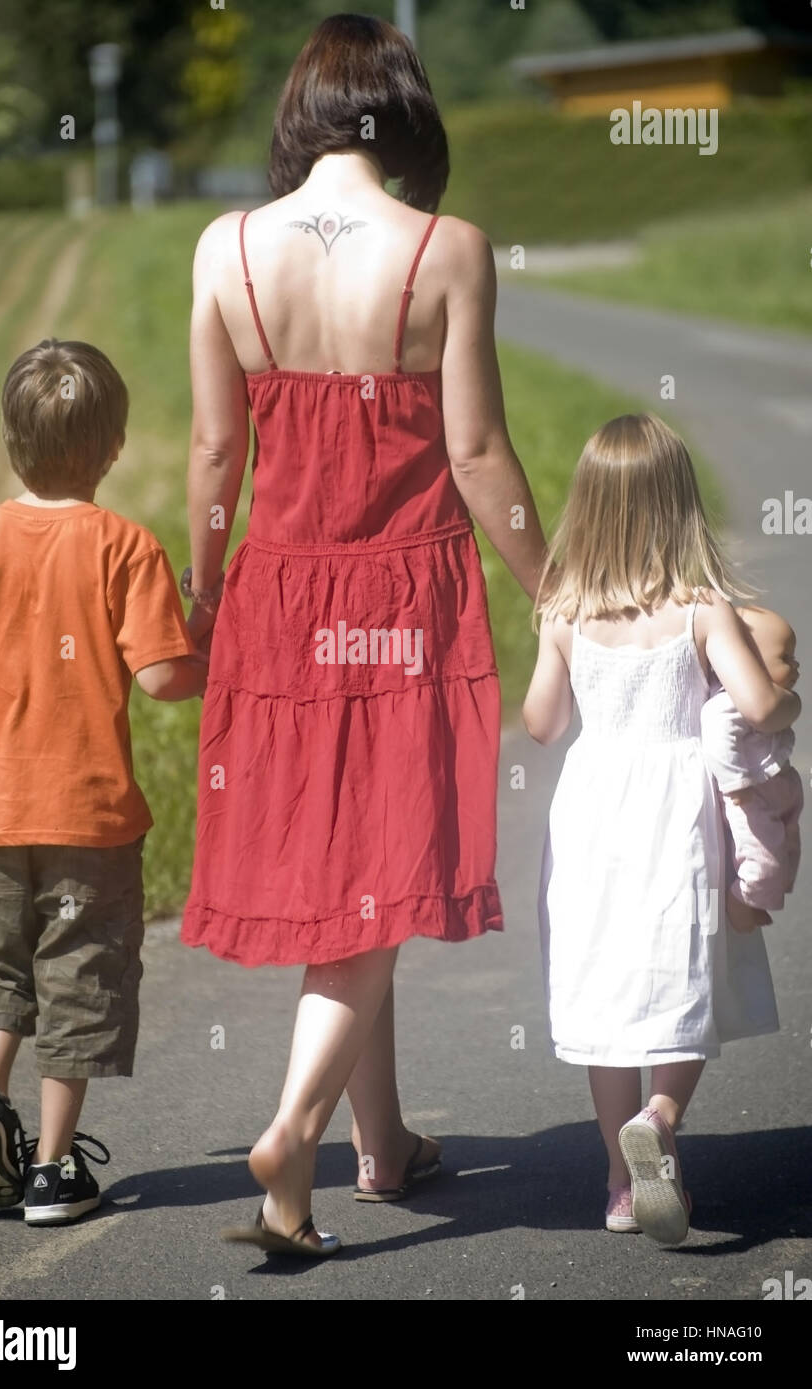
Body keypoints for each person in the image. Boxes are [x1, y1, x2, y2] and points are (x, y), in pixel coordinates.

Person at [179, 14, 546, 1256]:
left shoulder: (223, 250)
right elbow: (477, 451)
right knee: (381, 870)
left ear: (296, 113)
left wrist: (202, 580)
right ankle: (290, 1129)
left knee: (352, 874)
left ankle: (378, 1145)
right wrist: (553, 585)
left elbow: (216, 449)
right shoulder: (446, 249)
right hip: (398, 605)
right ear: (404, 110)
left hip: (280, 598)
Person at [0, 339, 206, 1226]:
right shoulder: (124, 547)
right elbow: (164, 678)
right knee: (78, 979)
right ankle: (51, 1169)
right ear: (114, 444)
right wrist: (207, 622)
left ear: (11, 443)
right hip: (90, 819)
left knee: (0, 965)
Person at [522, 413, 800, 1247]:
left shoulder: (565, 609)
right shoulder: (700, 609)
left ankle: (617, 1182)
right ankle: (662, 1116)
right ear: (680, 505)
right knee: (687, 969)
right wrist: (786, 701)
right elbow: (758, 704)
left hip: (594, 802)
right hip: (677, 807)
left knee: (607, 985)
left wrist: (553, 645)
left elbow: (540, 724)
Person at [700, 606, 802, 927]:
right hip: (751, 799)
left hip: (777, 794)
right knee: (763, 860)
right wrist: (736, 784)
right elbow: (717, 738)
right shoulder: (729, 703)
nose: (796, 666)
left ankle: (765, 893)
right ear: (750, 663)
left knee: (787, 852)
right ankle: (741, 900)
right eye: (785, 658)